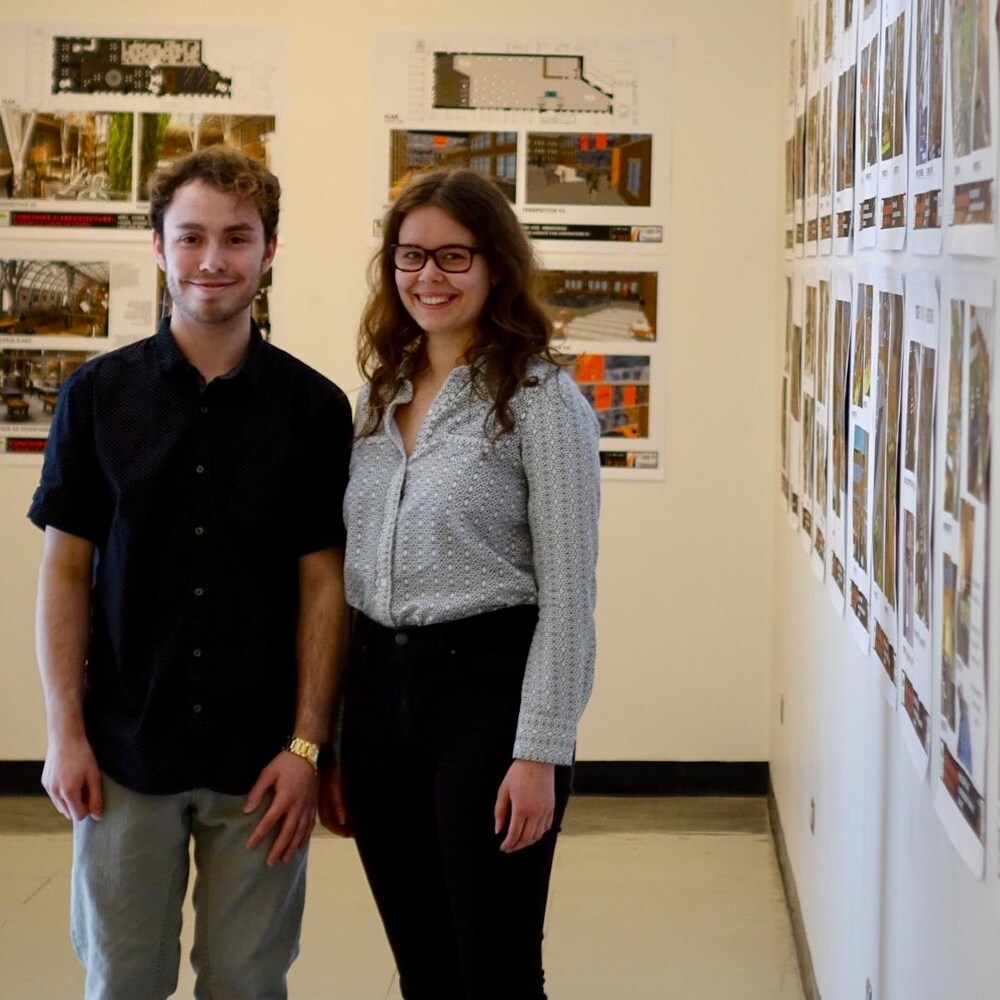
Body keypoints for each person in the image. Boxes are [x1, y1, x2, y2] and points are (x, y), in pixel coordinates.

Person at [29, 146, 353, 1000]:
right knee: (123, 979)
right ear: (159, 248)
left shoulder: (315, 410)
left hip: (262, 759)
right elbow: (65, 572)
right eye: (193, 237)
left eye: (238, 238)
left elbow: (324, 585)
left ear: (269, 250)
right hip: (123, 748)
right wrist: (65, 732)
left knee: (248, 983)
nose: (214, 260)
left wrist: (309, 745)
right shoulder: (96, 397)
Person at [320, 168, 600, 999]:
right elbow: (352, 575)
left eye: (452, 256)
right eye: (410, 257)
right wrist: (333, 737)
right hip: (376, 698)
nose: (428, 277)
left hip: (485, 698)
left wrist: (541, 752)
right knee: (423, 967)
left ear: (495, 266)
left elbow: (569, 595)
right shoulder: (378, 395)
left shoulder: (541, 400)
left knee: (497, 968)